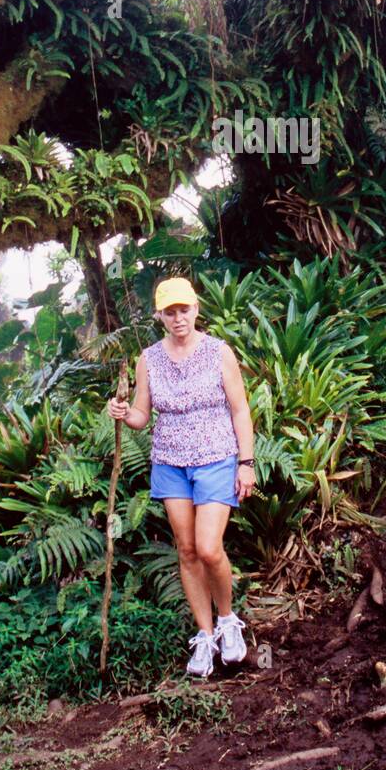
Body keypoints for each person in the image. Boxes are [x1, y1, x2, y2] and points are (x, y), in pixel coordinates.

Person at [108, 276, 256, 677]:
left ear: (196, 309)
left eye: (184, 310)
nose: (178, 318)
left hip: (216, 458)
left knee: (209, 548)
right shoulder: (149, 359)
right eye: (169, 312)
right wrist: (124, 414)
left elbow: (240, 410)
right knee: (186, 550)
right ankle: (205, 637)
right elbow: (142, 414)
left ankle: (227, 621)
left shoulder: (218, 352)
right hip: (170, 463)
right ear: (159, 315)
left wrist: (247, 462)